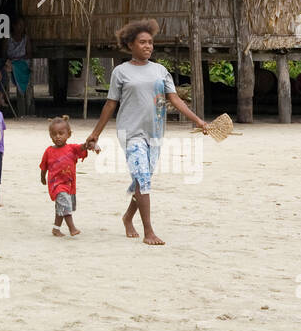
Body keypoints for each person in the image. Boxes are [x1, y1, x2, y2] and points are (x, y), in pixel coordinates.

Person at [84, 19, 208, 246]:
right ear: (130, 44)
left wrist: (198, 121)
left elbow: (175, 99)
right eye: (142, 42)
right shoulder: (120, 72)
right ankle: (148, 231)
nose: (148, 46)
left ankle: (128, 217)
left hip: (155, 133)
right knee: (142, 177)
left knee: (144, 181)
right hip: (130, 132)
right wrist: (96, 134)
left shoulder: (160, 71)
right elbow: (110, 104)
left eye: (150, 42)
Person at [39, 115, 98, 237]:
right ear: (50, 136)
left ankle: (56, 229)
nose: (58, 137)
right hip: (56, 184)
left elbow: (82, 147)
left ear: (68, 134)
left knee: (61, 207)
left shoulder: (72, 148)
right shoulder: (49, 151)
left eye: (61, 133)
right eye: (54, 134)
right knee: (65, 204)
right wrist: (42, 178)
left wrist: (90, 145)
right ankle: (72, 228)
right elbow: (43, 167)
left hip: (69, 184)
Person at [3, 16, 32, 114]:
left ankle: (23, 107)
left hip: (22, 62)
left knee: (15, 66)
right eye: (19, 25)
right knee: (9, 66)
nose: (21, 27)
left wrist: (19, 59)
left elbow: (29, 54)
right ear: (14, 26)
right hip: (11, 61)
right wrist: (11, 60)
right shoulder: (8, 38)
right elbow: (4, 53)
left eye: (22, 26)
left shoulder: (26, 39)